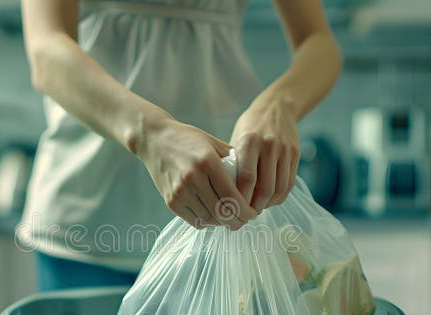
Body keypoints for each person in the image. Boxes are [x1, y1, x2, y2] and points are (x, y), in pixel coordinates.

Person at [19, 0, 342, 291]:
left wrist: (277, 106)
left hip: (224, 232)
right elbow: (46, 49)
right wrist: (153, 132)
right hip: (85, 230)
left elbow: (318, 41)